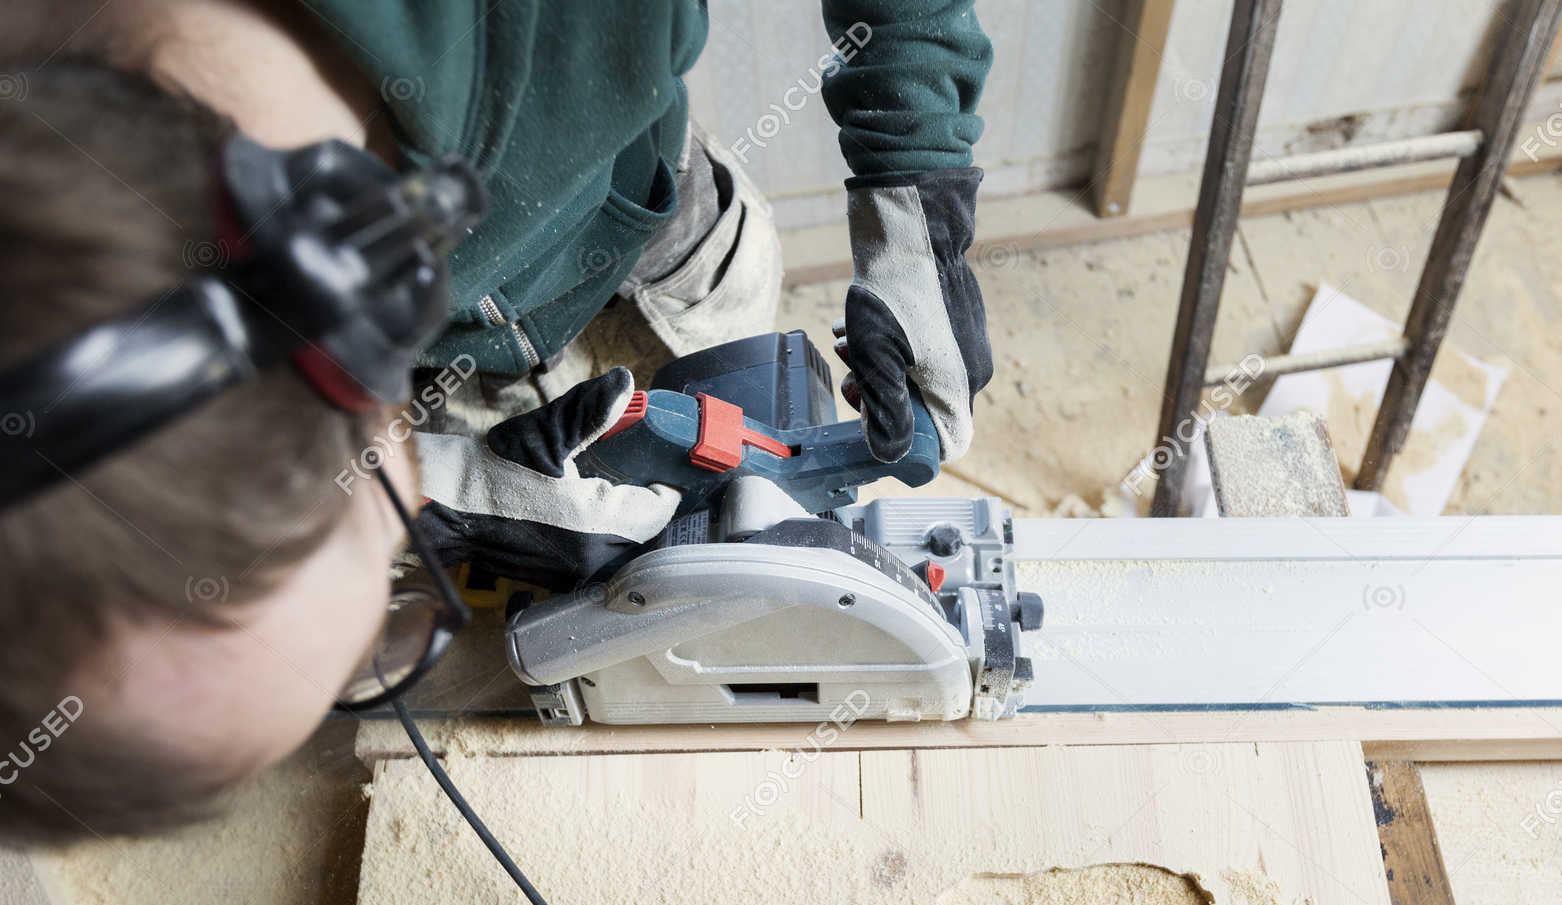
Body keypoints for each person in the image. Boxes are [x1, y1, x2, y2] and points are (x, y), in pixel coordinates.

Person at [0, 0, 994, 843]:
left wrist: (915, 189)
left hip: (644, 225)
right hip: (462, 334)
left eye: (392, 554)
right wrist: (452, 485)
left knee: (728, 341)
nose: (409, 569)